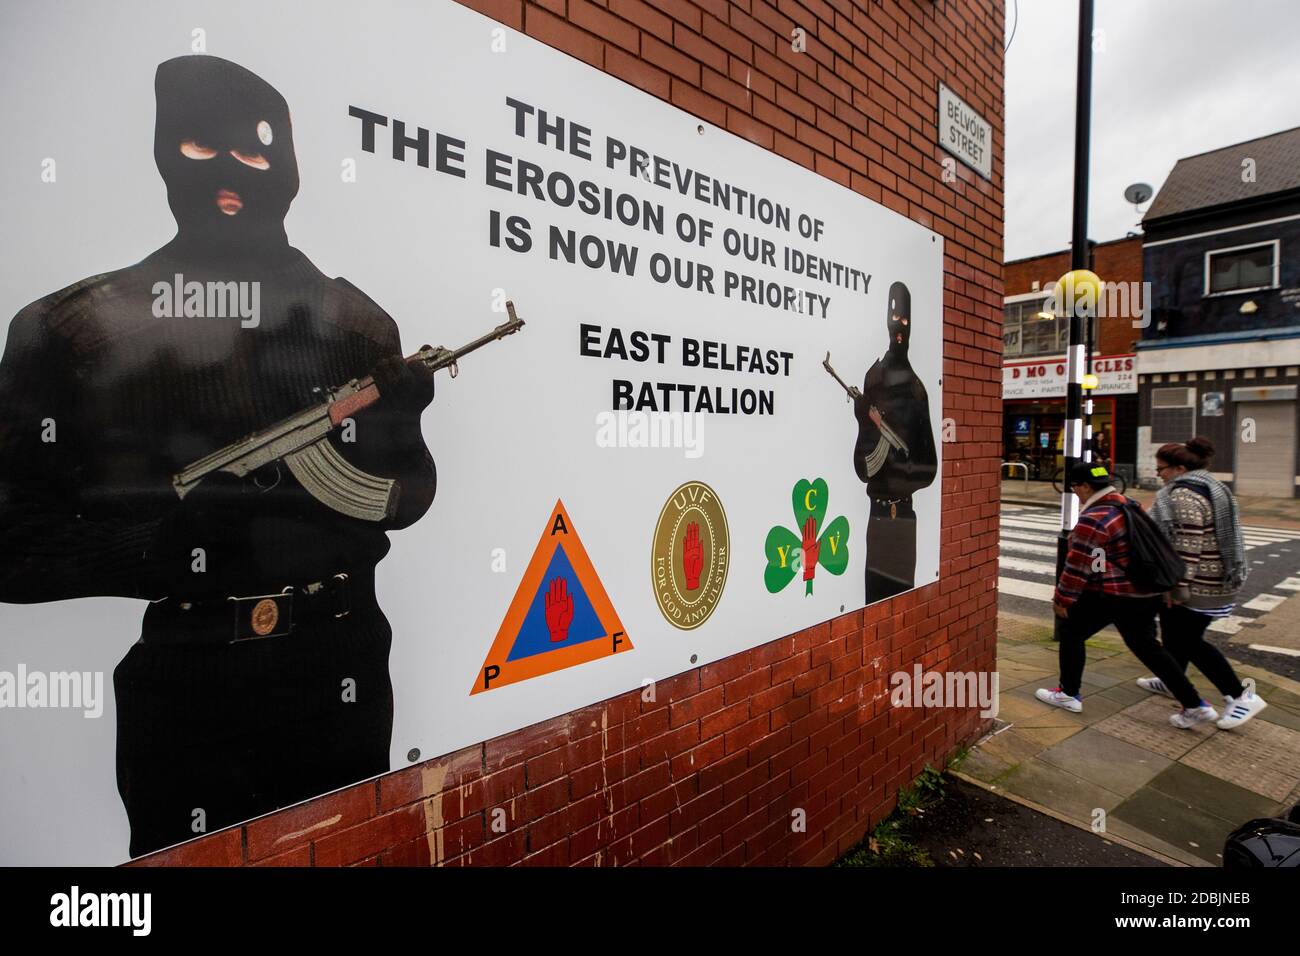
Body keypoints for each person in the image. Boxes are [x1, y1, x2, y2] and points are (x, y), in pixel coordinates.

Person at [0, 56, 436, 856]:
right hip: (191, 677)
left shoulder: (357, 326)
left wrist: (394, 428)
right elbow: (9, 545)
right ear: (165, 155)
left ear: (292, 170)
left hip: (344, 660)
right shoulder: (73, 331)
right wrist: (154, 553)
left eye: (258, 154)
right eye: (200, 151)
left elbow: (405, 496)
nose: (231, 174)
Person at [1036, 462, 1218, 728]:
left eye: (1075, 487)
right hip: (1146, 591)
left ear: (1084, 486)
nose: (1075, 492)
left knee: (1072, 632)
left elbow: (1077, 566)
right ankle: (1194, 703)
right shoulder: (1128, 503)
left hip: (1115, 594)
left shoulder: (1094, 518)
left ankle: (1068, 694)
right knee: (1148, 648)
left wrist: (1062, 600)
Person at [1140, 438, 1267, 729]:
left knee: (1188, 641)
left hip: (1198, 584)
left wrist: (1177, 585)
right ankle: (1172, 678)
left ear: (1179, 468)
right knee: (1174, 636)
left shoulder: (1183, 495)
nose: (1159, 474)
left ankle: (1240, 695)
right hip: (1215, 578)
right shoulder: (1211, 486)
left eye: (1161, 469)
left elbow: (1187, 544)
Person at [853, 281, 938, 603]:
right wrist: (866, 423)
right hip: (878, 514)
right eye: (894, 319)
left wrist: (902, 470)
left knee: (900, 598)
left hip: (904, 517)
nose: (899, 328)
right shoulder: (874, 378)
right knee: (874, 596)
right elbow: (864, 469)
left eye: (904, 321)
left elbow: (928, 468)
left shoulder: (917, 389)